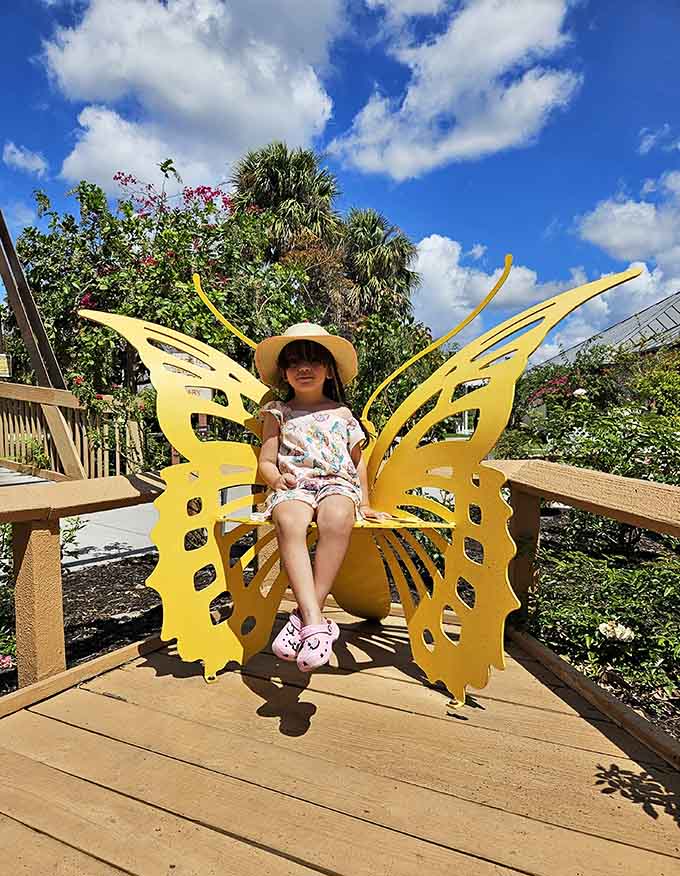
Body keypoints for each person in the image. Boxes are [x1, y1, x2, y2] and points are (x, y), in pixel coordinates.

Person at [255, 322, 387, 672]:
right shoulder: (277, 412)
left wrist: (367, 502)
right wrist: (275, 477)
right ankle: (316, 622)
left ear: (328, 370)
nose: (304, 368)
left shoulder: (343, 414)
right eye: (295, 362)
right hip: (296, 484)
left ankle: (304, 617)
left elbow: (359, 465)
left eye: (314, 361)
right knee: (288, 520)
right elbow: (266, 461)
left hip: (337, 483)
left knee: (337, 518)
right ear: (284, 372)